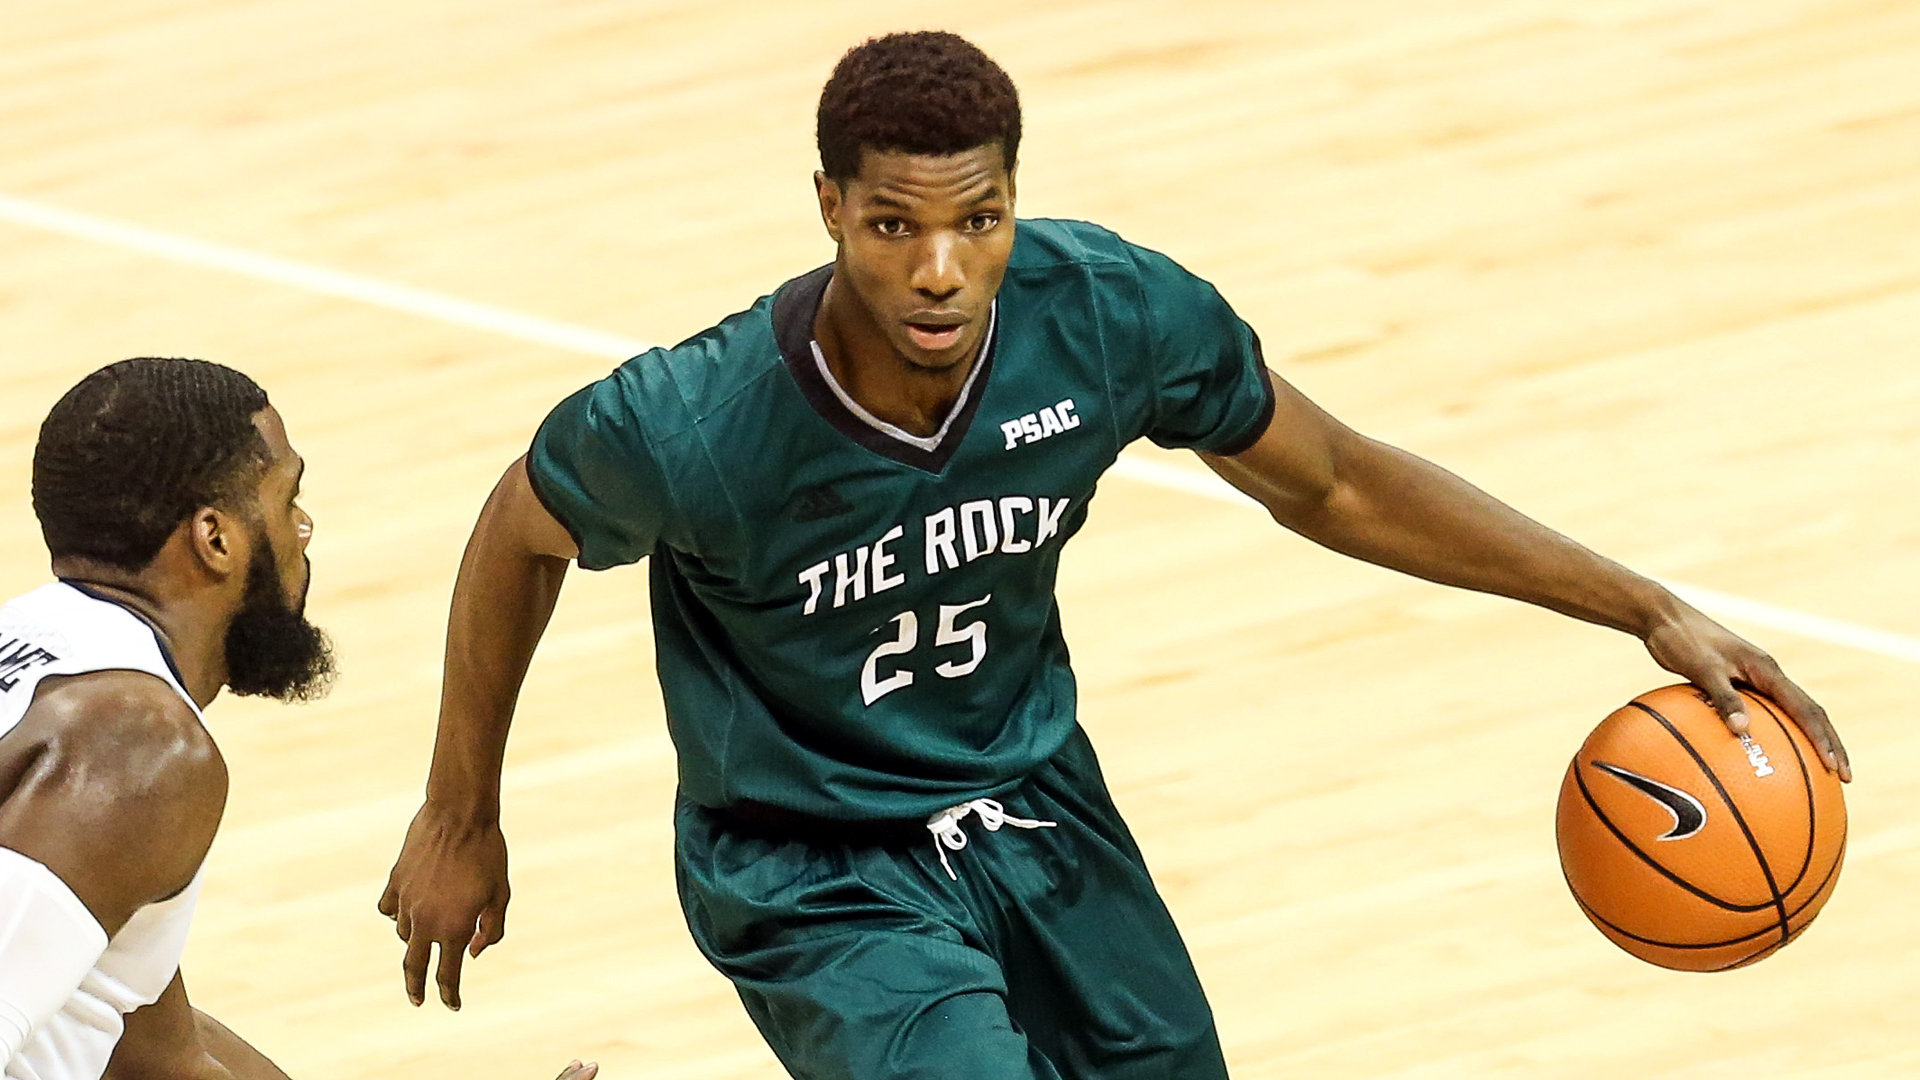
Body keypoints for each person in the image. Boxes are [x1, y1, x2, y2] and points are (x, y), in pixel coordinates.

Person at [379, 31, 1850, 1080]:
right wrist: (462, 812)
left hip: (1035, 801)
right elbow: (520, 529)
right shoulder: (698, 423)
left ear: (1015, 199)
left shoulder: (1110, 315)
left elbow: (1333, 481)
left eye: (977, 220)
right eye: (893, 225)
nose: (940, 269)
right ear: (829, 208)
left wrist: (1641, 608)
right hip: (811, 863)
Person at [0, 359, 596, 1080]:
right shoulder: (142, 749)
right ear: (215, 538)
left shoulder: (48, 658)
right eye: (286, 499)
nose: (303, 530)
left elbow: (161, 1052)